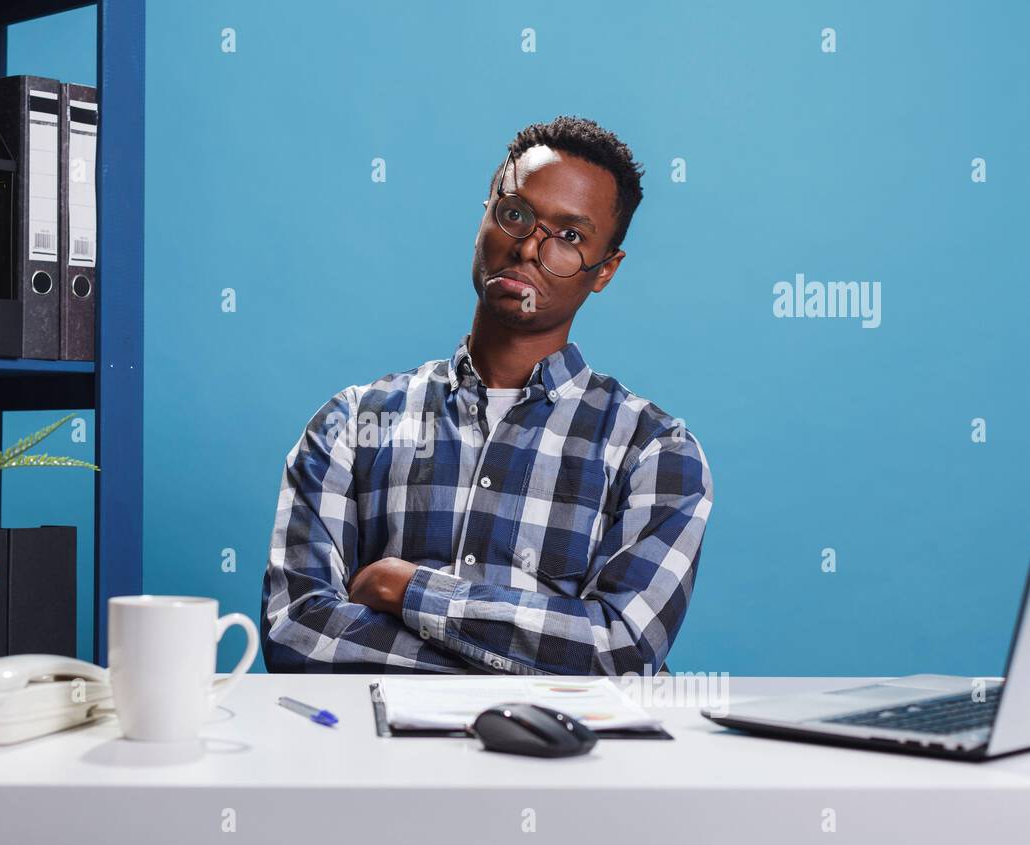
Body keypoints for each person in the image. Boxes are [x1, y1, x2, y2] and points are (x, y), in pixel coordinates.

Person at [261, 115, 713, 676]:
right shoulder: (351, 423)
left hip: (569, 764)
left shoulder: (655, 452)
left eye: (570, 237)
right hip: (382, 761)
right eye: (517, 215)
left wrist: (403, 588)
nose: (528, 250)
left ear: (605, 271)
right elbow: (297, 632)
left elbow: (619, 651)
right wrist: (529, 664)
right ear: (485, 218)